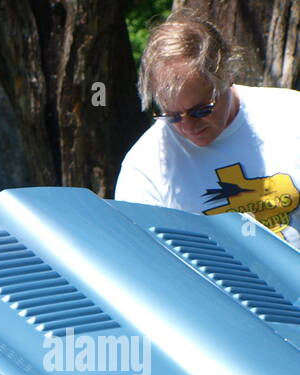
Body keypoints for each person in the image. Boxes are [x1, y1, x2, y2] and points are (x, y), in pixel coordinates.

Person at [115, 16, 300, 248]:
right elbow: (145, 258)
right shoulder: (145, 167)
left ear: (228, 76)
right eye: (172, 115)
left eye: (201, 110)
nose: (188, 127)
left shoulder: (291, 114)